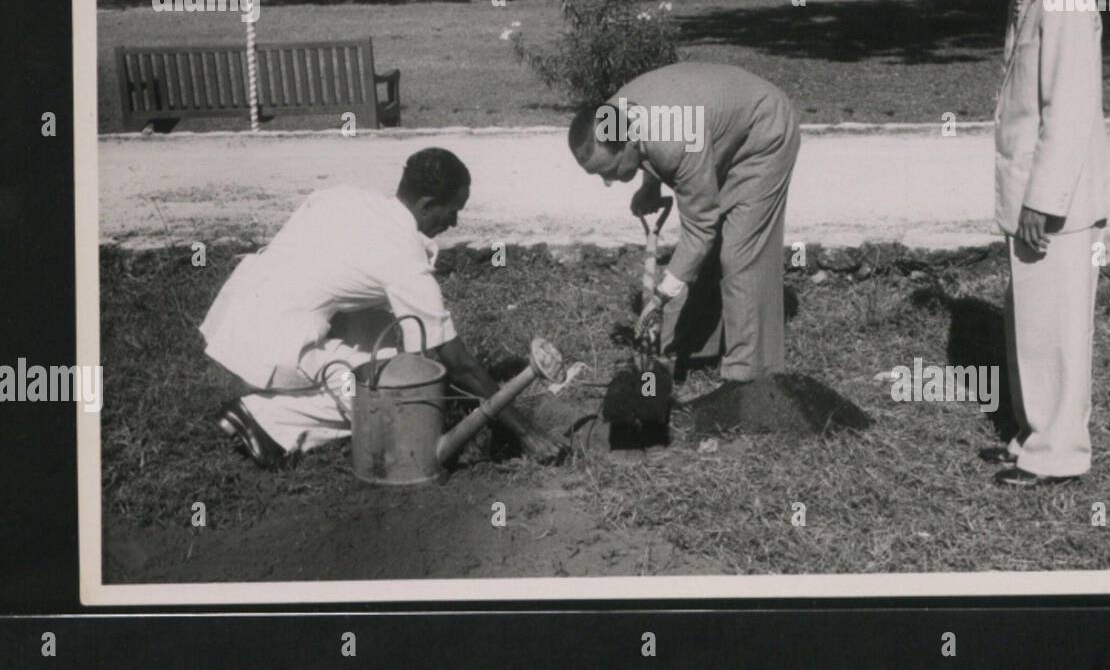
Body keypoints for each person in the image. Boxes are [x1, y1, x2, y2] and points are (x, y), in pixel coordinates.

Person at [200, 147, 567, 470]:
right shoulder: (403, 258)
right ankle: (265, 419)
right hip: (273, 343)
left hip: (239, 315)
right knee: (394, 400)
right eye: (453, 211)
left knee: (390, 343)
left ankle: (281, 394)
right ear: (426, 205)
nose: (454, 223)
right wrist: (526, 432)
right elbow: (459, 364)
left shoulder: (345, 197)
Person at [953, 0, 1110, 487]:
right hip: (1031, 198)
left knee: (1058, 331)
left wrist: (1042, 204)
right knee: (1031, 326)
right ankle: (1031, 437)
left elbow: (1068, 112)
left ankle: (1059, 455)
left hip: (1056, 205)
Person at [568, 62, 800, 382]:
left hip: (763, 131)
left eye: (610, 170)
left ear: (630, 143)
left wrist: (661, 296)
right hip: (715, 128)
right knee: (707, 250)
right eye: (598, 174)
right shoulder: (614, 114)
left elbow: (700, 229)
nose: (608, 181)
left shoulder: (674, 140)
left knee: (740, 251)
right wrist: (649, 186)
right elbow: (650, 151)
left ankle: (752, 378)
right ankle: (701, 344)